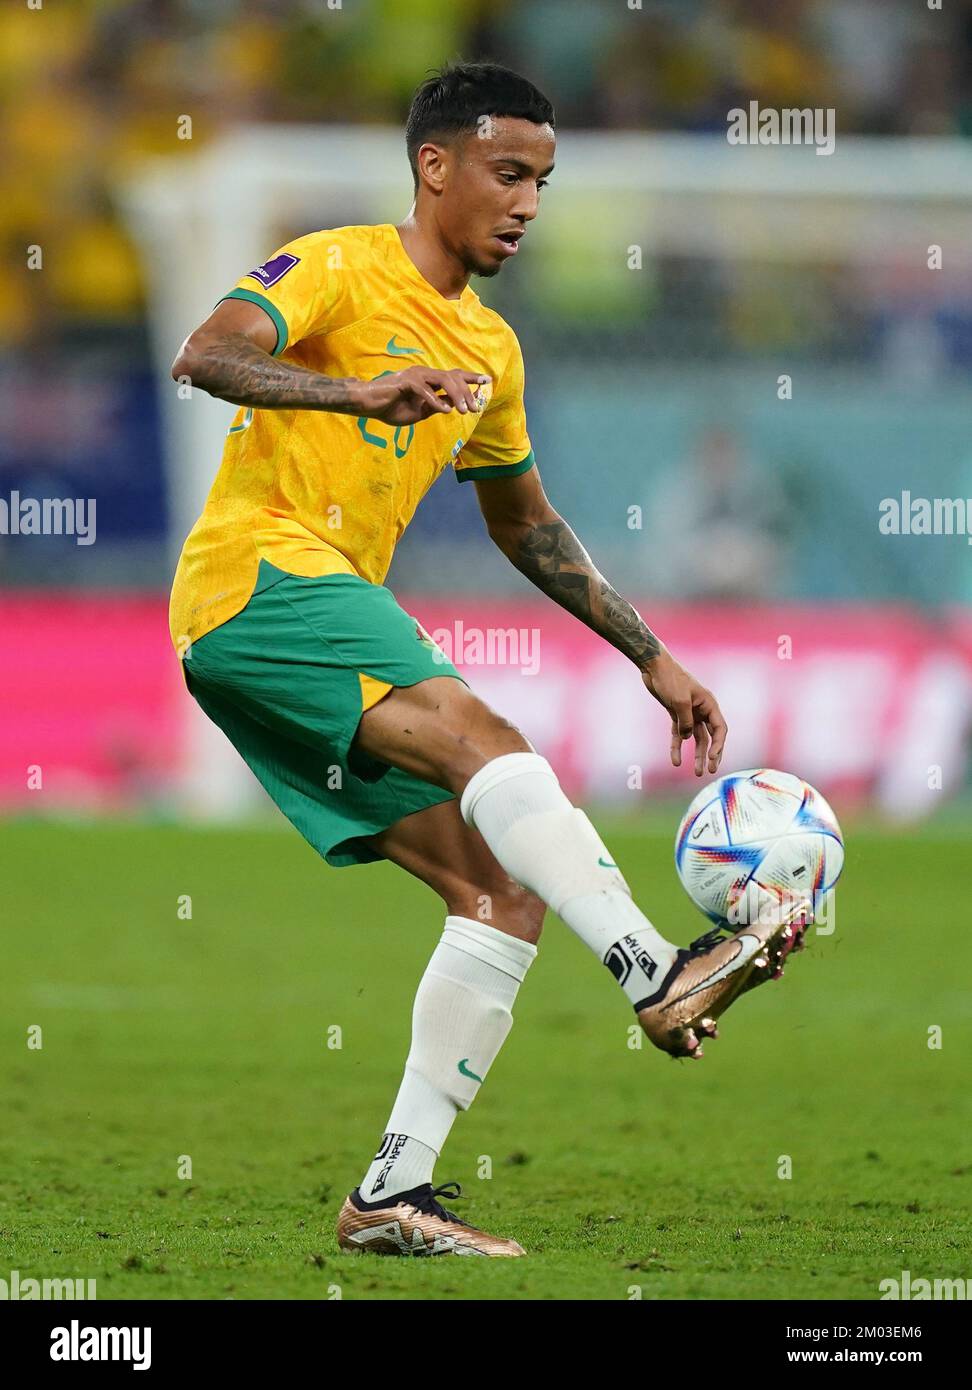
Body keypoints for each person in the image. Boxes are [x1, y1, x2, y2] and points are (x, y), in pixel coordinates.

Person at [168, 62, 798, 1259]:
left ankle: (389, 1193)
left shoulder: (493, 351)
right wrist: (361, 389)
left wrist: (650, 656)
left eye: (544, 182)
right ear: (435, 167)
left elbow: (527, 526)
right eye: (509, 173)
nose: (527, 203)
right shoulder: (338, 265)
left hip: (291, 626)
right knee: (491, 749)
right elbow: (204, 353)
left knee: (500, 895)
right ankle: (654, 968)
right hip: (259, 579)